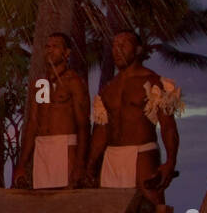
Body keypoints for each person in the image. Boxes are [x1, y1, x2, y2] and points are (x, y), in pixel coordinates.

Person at [85, 31, 182, 204]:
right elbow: (101, 133)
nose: (117, 49)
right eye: (114, 45)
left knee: (151, 208)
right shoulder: (108, 89)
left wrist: (170, 161)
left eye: (124, 44)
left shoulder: (153, 81)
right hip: (111, 157)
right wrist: (90, 167)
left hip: (142, 153)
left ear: (137, 50)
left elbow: (168, 126)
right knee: (111, 212)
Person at [13, 33, 90, 190]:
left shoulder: (73, 81)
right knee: (43, 202)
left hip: (65, 147)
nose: (50, 50)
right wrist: (22, 164)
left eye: (55, 46)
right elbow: (33, 123)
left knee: (64, 202)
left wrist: (80, 164)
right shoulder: (42, 84)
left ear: (66, 53)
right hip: (42, 149)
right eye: (47, 46)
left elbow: (83, 125)